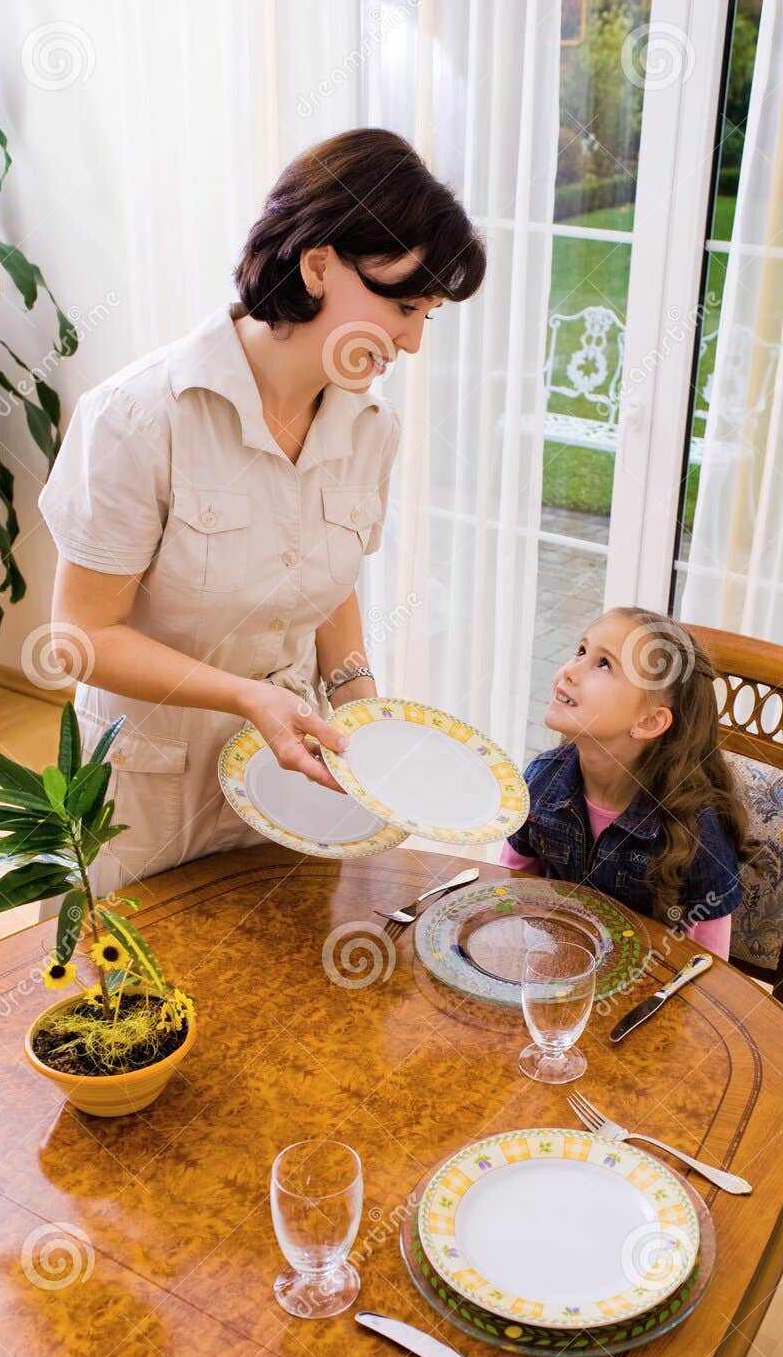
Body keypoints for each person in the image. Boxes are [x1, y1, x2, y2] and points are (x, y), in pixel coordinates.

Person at [39, 128, 485, 893]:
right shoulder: (138, 418)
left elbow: (328, 582)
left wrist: (359, 712)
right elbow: (82, 638)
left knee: (283, 998)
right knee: (143, 999)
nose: (411, 341)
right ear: (317, 264)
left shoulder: (369, 428)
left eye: (428, 315)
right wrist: (250, 697)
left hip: (290, 785)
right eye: (403, 305)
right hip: (145, 792)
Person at [500, 608, 752, 957]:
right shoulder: (541, 781)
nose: (570, 671)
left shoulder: (698, 832)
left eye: (604, 664)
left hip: (651, 999)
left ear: (649, 722)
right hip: (557, 976)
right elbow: (511, 893)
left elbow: (705, 972)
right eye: (582, 651)